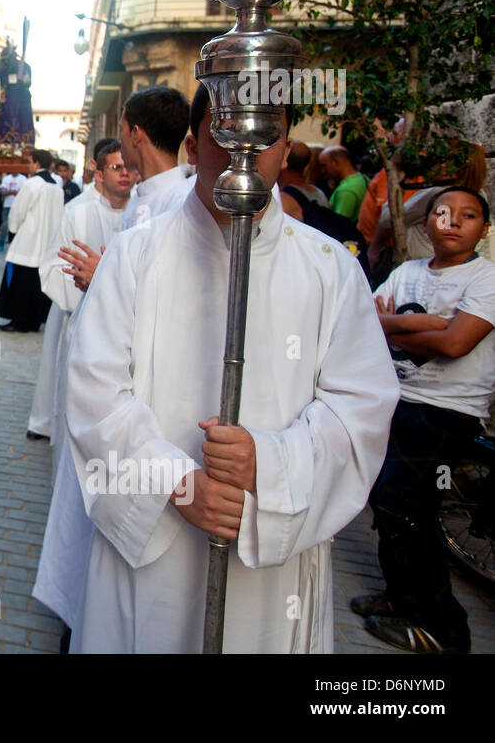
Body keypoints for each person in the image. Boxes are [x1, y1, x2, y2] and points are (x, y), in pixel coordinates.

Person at [43, 94, 398, 653]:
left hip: (268, 548)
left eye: (266, 136)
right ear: (193, 143)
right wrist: (178, 484)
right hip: (151, 546)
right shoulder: (133, 258)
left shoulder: (331, 269)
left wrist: (272, 463)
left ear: (285, 149)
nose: (245, 152)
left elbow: (361, 408)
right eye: (226, 131)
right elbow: (94, 393)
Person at [355, 186, 493, 654]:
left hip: (446, 411)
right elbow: (362, 324)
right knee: (390, 505)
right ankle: (401, 598)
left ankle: (444, 630)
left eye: (468, 215)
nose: (452, 221)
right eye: (442, 212)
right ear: (426, 222)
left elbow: (456, 345)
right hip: (395, 401)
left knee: (409, 509)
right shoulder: (407, 272)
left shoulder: (486, 280)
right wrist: (428, 324)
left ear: (484, 229)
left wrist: (399, 328)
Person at [26, 141, 132, 445]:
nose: (124, 174)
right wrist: (91, 289)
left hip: (125, 322)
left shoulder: (141, 210)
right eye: (116, 167)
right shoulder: (77, 212)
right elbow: (55, 267)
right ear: (98, 173)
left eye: (128, 167)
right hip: (80, 315)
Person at [0, 150, 64, 333]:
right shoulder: (57, 185)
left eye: (30, 162)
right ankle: (34, 321)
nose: (28, 165)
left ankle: (18, 320)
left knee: (20, 283)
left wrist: (13, 229)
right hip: (48, 240)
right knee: (37, 285)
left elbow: (18, 211)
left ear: (36, 163)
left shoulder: (32, 183)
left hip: (28, 241)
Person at [116, 86, 192, 231]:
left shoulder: (184, 204)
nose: (120, 140)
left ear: (135, 134)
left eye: (122, 129)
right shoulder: (137, 198)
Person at [321, 145, 370, 221]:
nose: (323, 171)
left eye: (324, 166)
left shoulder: (346, 190)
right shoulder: (362, 178)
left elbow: (338, 225)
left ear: (335, 162)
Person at [0, 168, 27, 249]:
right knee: (4, 225)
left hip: (19, 205)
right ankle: (1, 244)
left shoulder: (23, 178)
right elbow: (2, 192)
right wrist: (13, 192)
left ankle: (17, 245)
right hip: (7, 205)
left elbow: (24, 192)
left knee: (19, 225)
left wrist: (9, 192)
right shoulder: (7, 178)